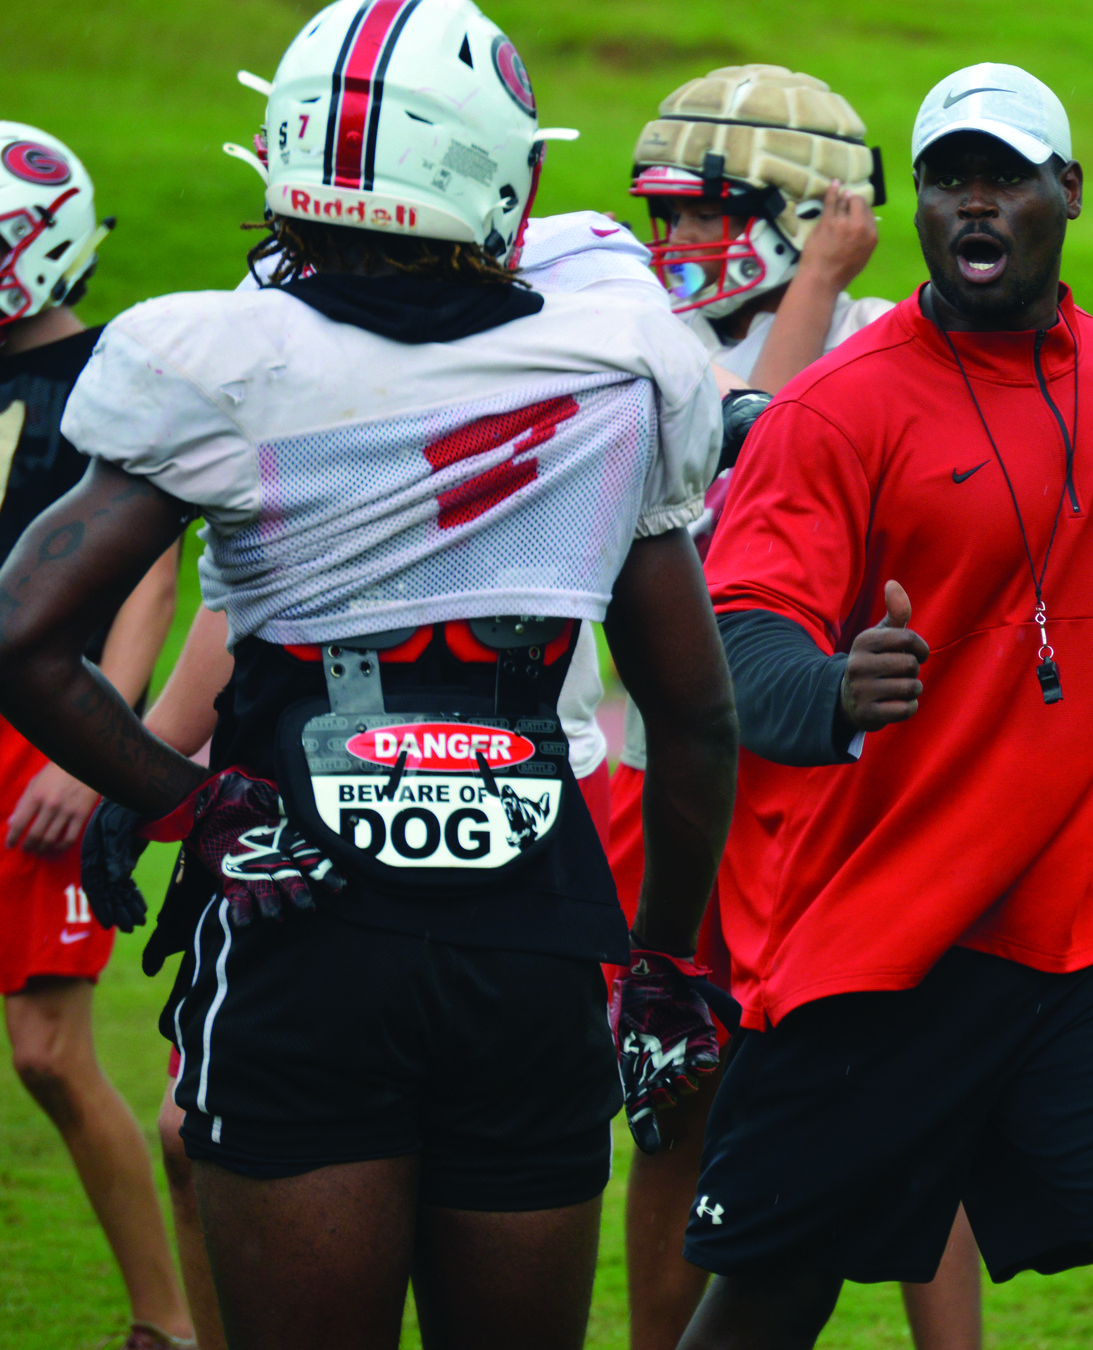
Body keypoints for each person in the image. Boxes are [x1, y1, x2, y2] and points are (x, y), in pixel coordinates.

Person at [0, 4, 737, 1348]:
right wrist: (668, 958)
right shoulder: (615, 366)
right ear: (499, 171)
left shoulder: (226, 359)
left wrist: (186, 799)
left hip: (303, 927)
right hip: (531, 936)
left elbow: (21, 636)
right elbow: (693, 716)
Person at [677, 64, 1093, 1350]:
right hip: (888, 931)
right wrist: (832, 690)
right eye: (949, 179)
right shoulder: (837, 407)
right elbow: (738, 632)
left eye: (1006, 177)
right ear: (923, 205)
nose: (975, 203)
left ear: (1070, 192)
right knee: (771, 1296)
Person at [609, 64, 982, 1350]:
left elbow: (758, 474)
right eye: (661, 211)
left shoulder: (896, 340)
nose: (673, 238)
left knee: (909, 1094)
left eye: (703, 211)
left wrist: (822, 286)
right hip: (674, 774)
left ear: (816, 214)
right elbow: (718, 490)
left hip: (833, 786)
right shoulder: (633, 337)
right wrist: (807, 290)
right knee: (672, 1095)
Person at [0, 121, 192, 1350]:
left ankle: (164, 1323)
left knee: (49, 1052)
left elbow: (150, 576)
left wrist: (91, 749)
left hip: (46, 728)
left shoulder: (110, 375)